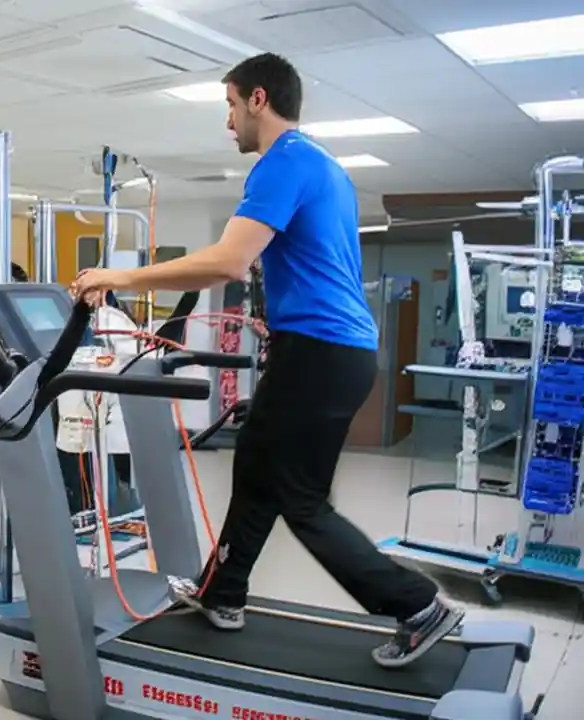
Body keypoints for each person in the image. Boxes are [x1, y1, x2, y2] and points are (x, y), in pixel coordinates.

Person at [72, 52, 459, 668]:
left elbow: (228, 260)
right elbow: (295, 263)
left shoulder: (283, 163)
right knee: (255, 465)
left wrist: (121, 274)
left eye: (230, 105)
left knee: (297, 496)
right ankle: (222, 592)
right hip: (338, 351)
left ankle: (416, 606)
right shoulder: (323, 166)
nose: (228, 123)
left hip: (319, 353)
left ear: (258, 99)